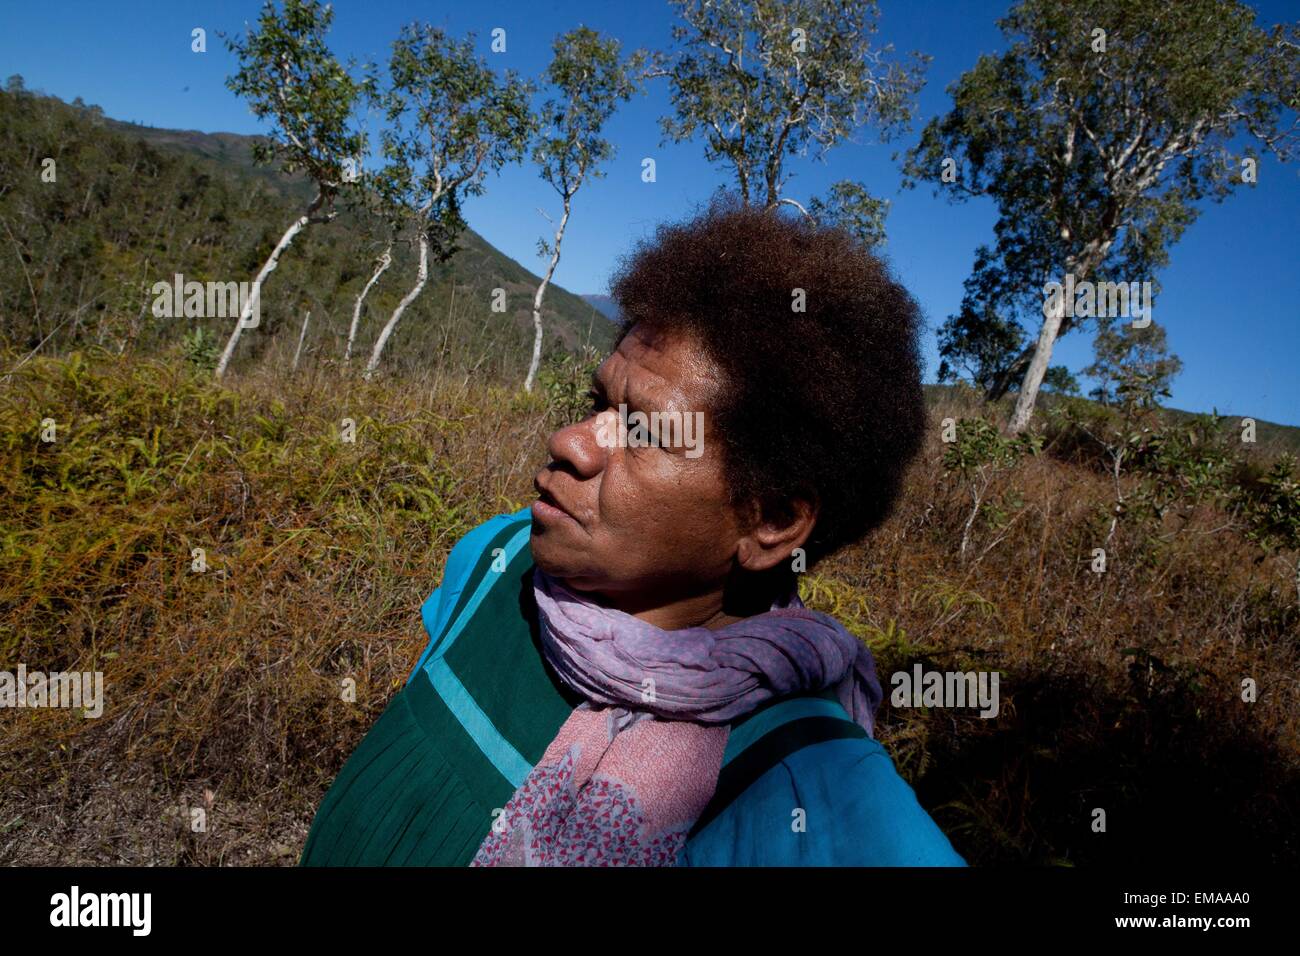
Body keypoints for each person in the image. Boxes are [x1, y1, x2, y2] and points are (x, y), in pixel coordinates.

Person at [299, 195, 966, 867]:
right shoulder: (496, 561)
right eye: (597, 405)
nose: (571, 443)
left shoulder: (822, 797)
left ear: (772, 522)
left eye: (644, 430)